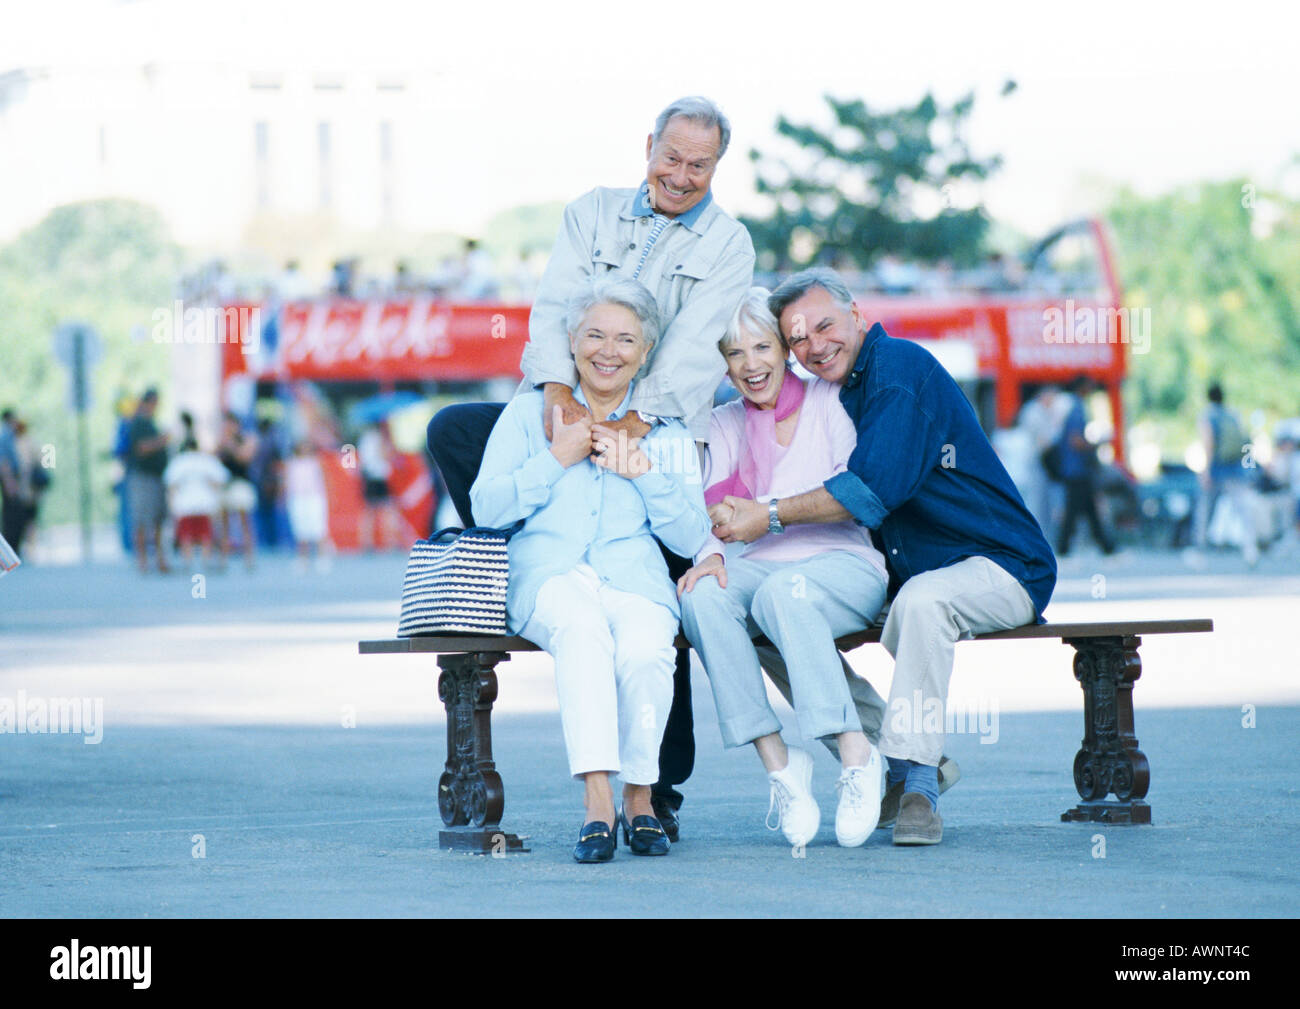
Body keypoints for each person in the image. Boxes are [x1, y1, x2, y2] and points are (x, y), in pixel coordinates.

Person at [428, 96, 755, 839]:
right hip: (566, 396)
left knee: (653, 615)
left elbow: (692, 349)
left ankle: (655, 792)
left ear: (716, 167)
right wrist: (555, 400)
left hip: (657, 421)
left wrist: (630, 427)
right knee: (455, 428)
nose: (680, 174)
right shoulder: (593, 212)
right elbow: (554, 307)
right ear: (649, 146)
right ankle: (514, 553)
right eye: (670, 156)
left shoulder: (729, 244)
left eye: (698, 164)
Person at [710, 268, 1056, 847]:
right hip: (917, 574)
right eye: (799, 339)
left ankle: (918, 784)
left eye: (825, 325)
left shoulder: (895, 371)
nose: (816, 345)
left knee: (924, 602)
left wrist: (767, 514)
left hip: (1001, 564)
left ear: (858, 317)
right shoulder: (842, 390)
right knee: (765, 614)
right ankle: (888, 755)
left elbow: (870, 490)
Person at [470, 277, 709, 863]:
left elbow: (691, 535)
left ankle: (641, 798)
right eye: (594, 335)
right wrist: (558, 458)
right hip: (550, 574)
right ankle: (598, 806)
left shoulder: (665, 429)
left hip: (633, 576)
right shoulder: (531, 413)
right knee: (582, 633)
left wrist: (644, 473)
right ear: (572, 342)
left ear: (646, 351)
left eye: (626, 339)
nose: (609, 350)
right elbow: (487, 508)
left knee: (649, 649)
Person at [676, 289, 890, 847]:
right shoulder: (723, 423)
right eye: (735, 353)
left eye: (761, 347)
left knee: (781, 594)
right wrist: (713, 555)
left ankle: (856, 754)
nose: (751, 365)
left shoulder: (828, 400)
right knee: (701, 596)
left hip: (842, 561)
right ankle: (780, 766)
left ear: (784, 349)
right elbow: (714, 513)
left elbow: (851, 490)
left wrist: (766, 516)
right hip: (763, 567)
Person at [1195, 383, 1258, 564]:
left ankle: (1200, 549)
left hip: (1217, 468)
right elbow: (1246, 441)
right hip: (1236, 469)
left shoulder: (1208, 415)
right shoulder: (1233, 415)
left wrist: (1205, 470)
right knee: (1243, 509)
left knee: (1205, 509)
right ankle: (1250, 547)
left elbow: (1209, 443)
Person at [1054, 377, 1116, 557]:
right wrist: (1096, 445)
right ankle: (1064, 547)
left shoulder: (1070, 406)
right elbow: (1075, 441)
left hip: (1074, 468)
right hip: (1077, 468)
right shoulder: (1076, 408)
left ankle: (1106, 546)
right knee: (1076, 510)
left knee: (1088, 509)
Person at [125, 389, 172, 574]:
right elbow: (141, 448)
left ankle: (159, 559)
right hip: (143, 478)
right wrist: (162, 441)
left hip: (157, 476)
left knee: (158, 519)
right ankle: (143, 560)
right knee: (142, 520)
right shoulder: (139, 423)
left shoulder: (151, 422)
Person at [163, 437, 229, 568]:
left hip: (185, 505)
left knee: (186, 535)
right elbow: (220, 480)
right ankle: (206, 560)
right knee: (205, 534)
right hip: (205, 504)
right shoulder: (207, 460)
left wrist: (172, 504)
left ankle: (187, 561)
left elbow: (171, 484)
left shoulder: (179, 462)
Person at [217, 412, 258, 570]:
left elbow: (244, 458)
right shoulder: (221, 440)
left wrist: (230, 444)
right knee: (224, 523)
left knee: (244, 521)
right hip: (225, 484)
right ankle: (223, 559)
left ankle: (249, 558)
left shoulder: (246, 438)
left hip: (241, 483)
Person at [285, 440, 332, 572]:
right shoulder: (292, 463)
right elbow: (289, 482)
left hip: (314, 498)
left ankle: (322, 557)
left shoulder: (316, 463)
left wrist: (327, 496)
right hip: (298, 498)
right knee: (301, 529)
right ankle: (303, 558)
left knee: (318, 527)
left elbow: (325, 480)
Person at [357, 420, 399, 551]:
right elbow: (385, 457)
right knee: (384, 510)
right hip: (378, 476)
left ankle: (368, 542)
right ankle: (388, 542)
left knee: (372, 512)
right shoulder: (378, 439)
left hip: (372, 477)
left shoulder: (365, 439)